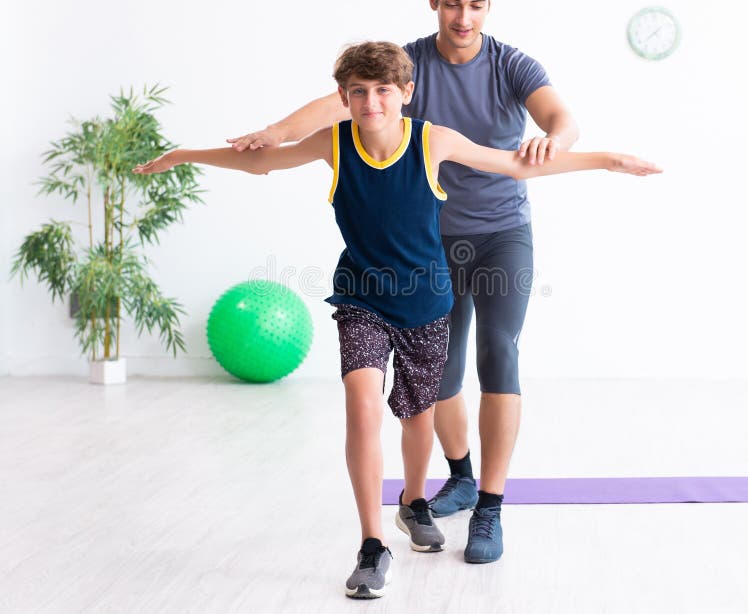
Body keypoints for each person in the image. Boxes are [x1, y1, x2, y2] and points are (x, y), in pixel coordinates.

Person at [135, 41, 659, 598]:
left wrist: (606, 160)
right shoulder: (333, 144)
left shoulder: (433, 141)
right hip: (361, 298)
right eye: (358, 92)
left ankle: (413, 501)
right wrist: (186, 154)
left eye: (383, 90)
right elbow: (260, 161)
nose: (370, 102)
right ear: (343, 97)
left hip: (427, 304)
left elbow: (513, 164)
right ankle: (371, 545)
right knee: (362, 408)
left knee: (416, 419)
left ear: (406, 93)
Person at [227, 0, 581, 564]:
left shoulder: (510, 64)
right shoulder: (410, 63)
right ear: (433, 1)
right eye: (452, 3)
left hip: (501, 233)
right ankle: (461, 475)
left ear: (488, 6)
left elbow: (558, 116)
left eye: (475, 5)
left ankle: (490, 508)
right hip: (432, 240)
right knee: (438, 377)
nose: (463, 17)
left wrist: (557, 139)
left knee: (500, 355)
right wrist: (277, 133)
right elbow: (340, 103)